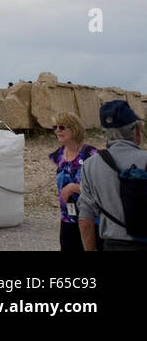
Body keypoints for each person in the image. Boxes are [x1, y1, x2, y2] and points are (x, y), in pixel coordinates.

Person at [78, 100, 147, 251]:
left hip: (113, 245)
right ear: (136, 130)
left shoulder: (90, 166)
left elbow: (85, 219)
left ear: (105, 133)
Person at [48, 112, 97, 251]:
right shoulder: (58, 155)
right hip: (67, 219)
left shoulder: (91, 154)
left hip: (89, 218)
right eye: (55, 127)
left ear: (74, 129)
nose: (57, 130)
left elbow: (100, 188)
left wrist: (73, 187)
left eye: (62, 127)